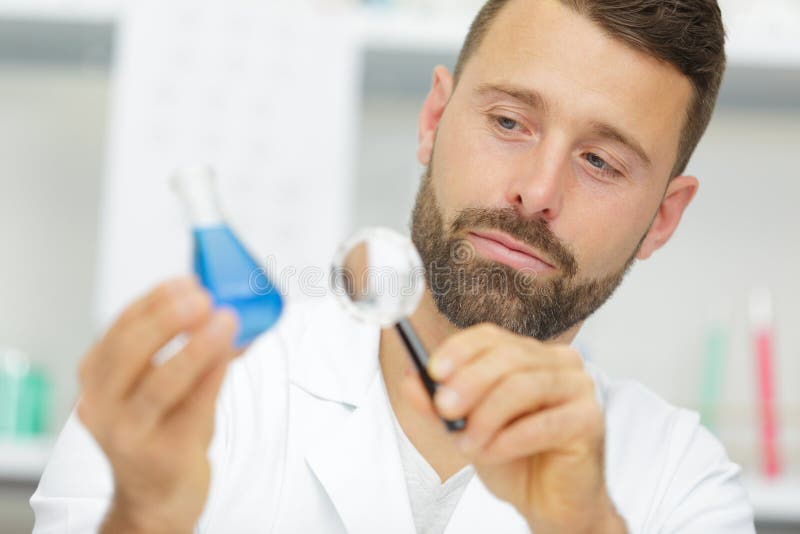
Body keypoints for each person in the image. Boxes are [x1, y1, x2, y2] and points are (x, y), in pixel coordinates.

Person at [31, 0, 756, 532]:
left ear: (663, 217)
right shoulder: (193, 396)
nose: (537, 192)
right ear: (433, 120)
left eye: (599, 161)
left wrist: (588, 527)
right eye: (509, 122)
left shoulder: (678, 482)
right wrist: (143, 517)